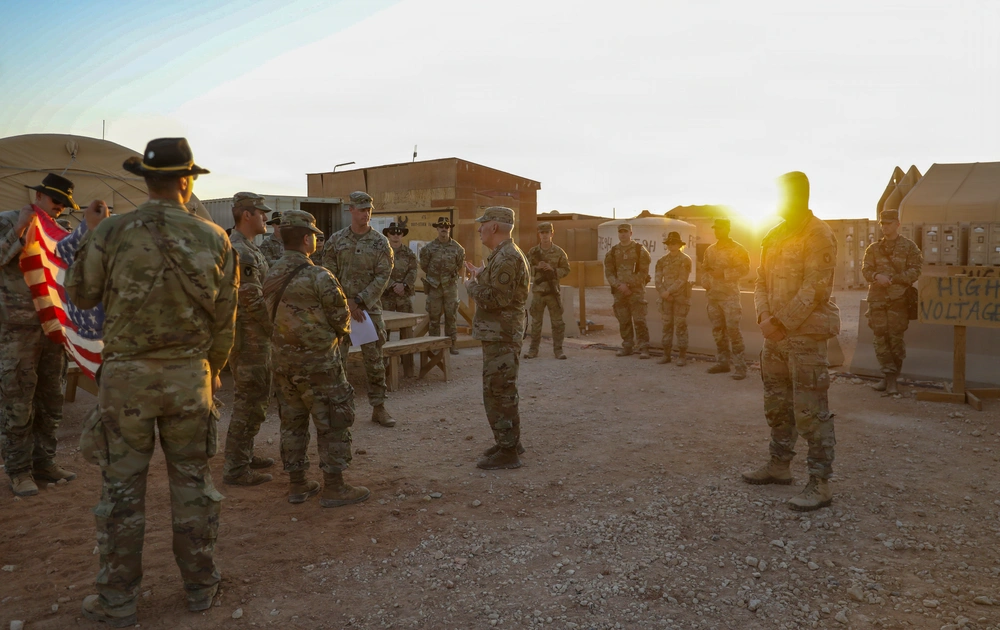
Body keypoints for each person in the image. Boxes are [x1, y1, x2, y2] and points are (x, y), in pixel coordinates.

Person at [66, 138, 237, 625]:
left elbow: (80, 291)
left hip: (126, 382)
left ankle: (118, 600)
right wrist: (213, 371)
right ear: (187, 181)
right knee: (193, 484)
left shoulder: (113, 232)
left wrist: (91, 233)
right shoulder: (214, 239)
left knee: (121, 491)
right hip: (189, 379)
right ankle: (201, 585)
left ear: (146, 178)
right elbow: (226, 322)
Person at [743, 171, 839, 512]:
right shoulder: (774, 235)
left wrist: (781, 322)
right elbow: (760, 281)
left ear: (799, 197)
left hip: (806, 336)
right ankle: (779, 465)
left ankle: (820, 482)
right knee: (778, 403)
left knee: (810, 410)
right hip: (776, 335)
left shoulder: (819, 235)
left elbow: (815, 288)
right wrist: (764, 318)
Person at [1, 174, 102, 496]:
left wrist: (90, 229)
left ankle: (44, 462)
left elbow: (73, 263)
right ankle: (18, 471)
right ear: (41, 196)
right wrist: (20, 230)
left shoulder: (58, 233)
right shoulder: (7, 221)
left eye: (64, 205)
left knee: (50, 399)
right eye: (56, 202)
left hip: (53, 328)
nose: (60, 209)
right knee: (18, 402)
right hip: (17, 331)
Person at [263, 210, 369, 507]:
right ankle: (334, 487)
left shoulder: (270, 272)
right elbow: (341, 318)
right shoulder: (320, 276)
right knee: (333, 421)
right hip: (320, 366)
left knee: (292, 423)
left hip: (283, 364)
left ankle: (298, 485)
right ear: (307, 239)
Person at [321, 191, 396, 427]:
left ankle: (379, 407)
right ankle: (339, 408)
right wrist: (346, 303)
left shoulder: (380, 242)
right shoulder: (336, 240)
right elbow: (328, 275)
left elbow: (383, 275)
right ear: (350, 210)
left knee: (374, 361)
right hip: (341, 311)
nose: (366, 214)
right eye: (361, 209)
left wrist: (360, 300)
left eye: (369, 210)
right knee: (337, 362)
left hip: (367, 311)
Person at [464, 207, 530, 470]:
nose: (479, 229)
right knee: (502, 389)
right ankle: (510, 441)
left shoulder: (506, 258)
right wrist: (482, 276)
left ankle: (508, 451)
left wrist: (471, 286)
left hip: (501, 334)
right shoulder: (501, 256)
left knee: (498, 391)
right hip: (499, 333)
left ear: (494, 227)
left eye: (483, 225)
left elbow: (497, 299)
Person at [221, 192, 276, 487]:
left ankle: (244, 453)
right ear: (246, 215)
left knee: (255, 398)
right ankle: (236, 467)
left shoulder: (248, 248)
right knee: (249, 400)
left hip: (254, 337)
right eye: (261, 213)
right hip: (249, 338)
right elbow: (252, 299)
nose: (265, 218)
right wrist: (277, 330)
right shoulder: (240, 250)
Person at [862, 209, 922, 395]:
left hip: (898, 301)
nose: (885, 227)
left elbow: (916, 270)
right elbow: (866, 270)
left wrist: (894, 279)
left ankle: (893, 379)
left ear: (897, 224)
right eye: (882, 224)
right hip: (877, 301)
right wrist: (876, 276)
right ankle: (887, 377)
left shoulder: (909, 247)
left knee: (895, 340)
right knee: (880, 340)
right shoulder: (873, 249)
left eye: (888, 223)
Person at [701, 218, 751, 379]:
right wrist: (705, 282)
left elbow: (744, 269)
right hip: (713, 297)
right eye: (715, 229)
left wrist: (723, 274)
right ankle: (723, 363)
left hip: (729, 297)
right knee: (718, 332)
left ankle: (740, 367)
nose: (717, 231)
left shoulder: (737, 249)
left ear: (727, 229)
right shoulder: (710, 250)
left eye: (720, 228)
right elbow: (705, 268)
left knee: (733, 331)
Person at [603, 223, 651, 359]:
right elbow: (609, 273)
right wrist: (620, 286)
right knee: (623, 320)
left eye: (626, 232)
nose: (623, 234)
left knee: (639, 320)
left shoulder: (640, 250)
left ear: (631, 233)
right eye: (620, 232)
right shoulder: (612, 252)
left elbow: (643, 272)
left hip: (636, 292)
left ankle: (644, 348)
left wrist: (629, 285)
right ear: (618, 234)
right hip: (619, 292)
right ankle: (627, 346)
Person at [524, 222, 571, 360]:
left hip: (552, 292)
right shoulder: (533, 252)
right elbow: (525, 270)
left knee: (557, 323)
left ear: (552, 234)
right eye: (542, 233)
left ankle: (558, 350)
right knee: (536, 323)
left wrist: (553, 270)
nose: (545, 235)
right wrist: (537, 268)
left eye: (547, 232)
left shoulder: (559, 252)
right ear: (539, 234)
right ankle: (533, 350)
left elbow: (566, 269)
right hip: (538, 292)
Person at [420, 216, 466, 354]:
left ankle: (451, 344)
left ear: (450, 228)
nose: (444, 229)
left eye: (447, 227)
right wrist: (435, 277)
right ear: (437, 228)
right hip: (434, 287)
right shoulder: (428, 248)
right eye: (441, 227)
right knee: (434, 317)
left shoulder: (458, 249)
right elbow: (424, 265)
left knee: (451, 317)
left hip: (450, 287)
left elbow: (460, 265)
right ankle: (434, 346)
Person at [654, 231, 692, 366]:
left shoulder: (685, 260)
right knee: (666, 326)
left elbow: (682, 279)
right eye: (669, 243)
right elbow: (657, 279)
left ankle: (682, 356)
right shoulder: (662, 261)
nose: (671, 246)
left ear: (679, 245)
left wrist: (668, 292)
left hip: (680, 299)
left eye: (674, 243)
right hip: (666, 299)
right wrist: (663, 292)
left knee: (680, 326)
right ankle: (666, 354)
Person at [381, 222, 418, 314]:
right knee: (386, 324)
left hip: (404, 294)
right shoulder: (381, 252)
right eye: (393, 233)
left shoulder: (409, 253)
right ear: (388, 234)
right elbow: (378, 271)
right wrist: (393, 285)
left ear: (402, 234)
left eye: (398, 233)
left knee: (406, 324)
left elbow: (413, 270)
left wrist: (403, 285)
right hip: (386, 294)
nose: (396, 235)